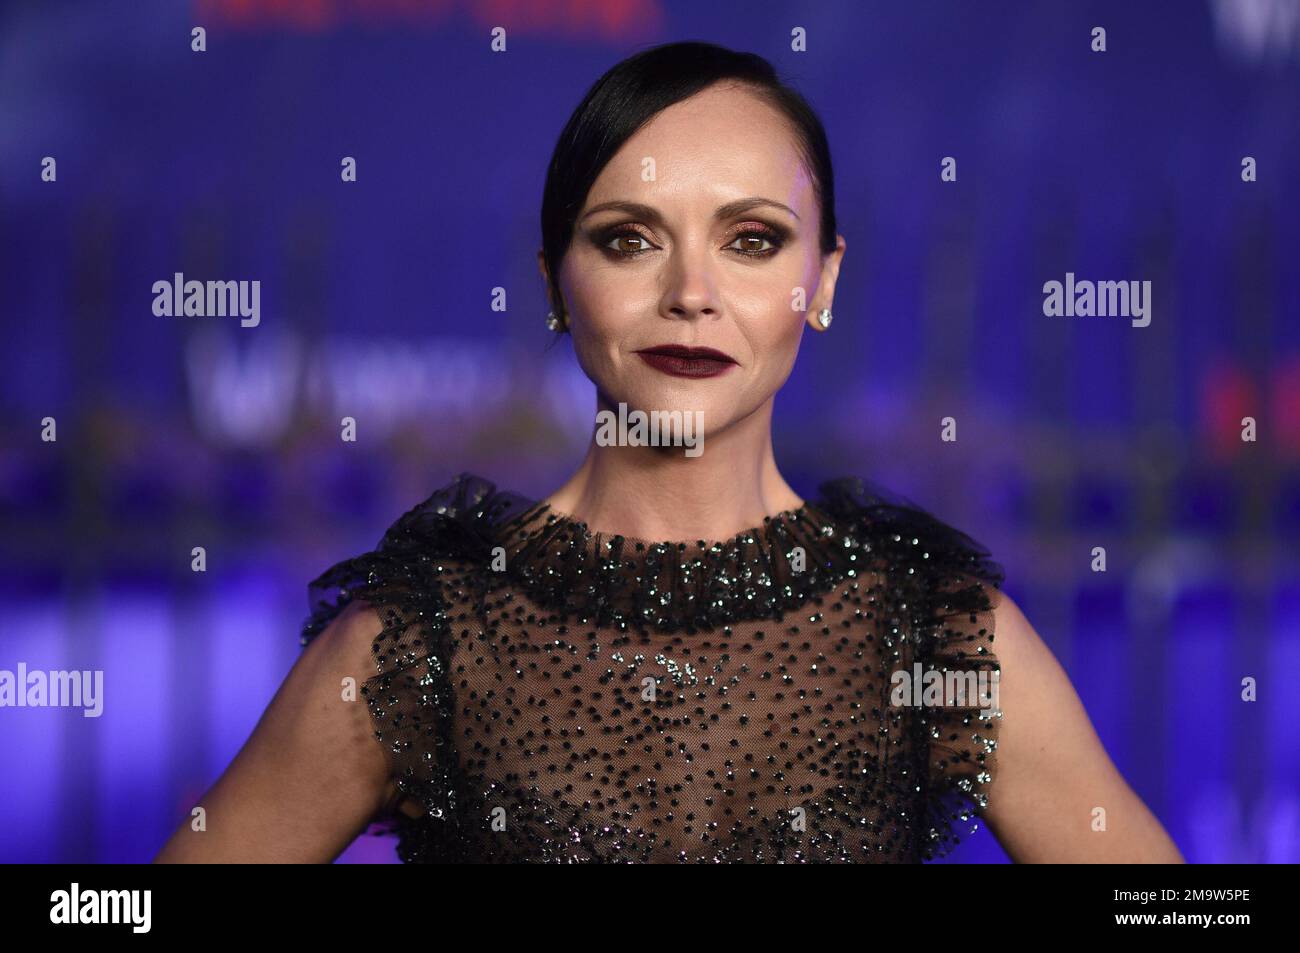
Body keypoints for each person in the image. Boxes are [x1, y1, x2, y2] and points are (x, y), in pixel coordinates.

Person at [155, 41, 1183, 864]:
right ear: (558, 281)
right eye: (627, 238)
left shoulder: (930, 633)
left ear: (821, 281)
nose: (691, 292)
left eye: (751, 240)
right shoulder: (427, 639)